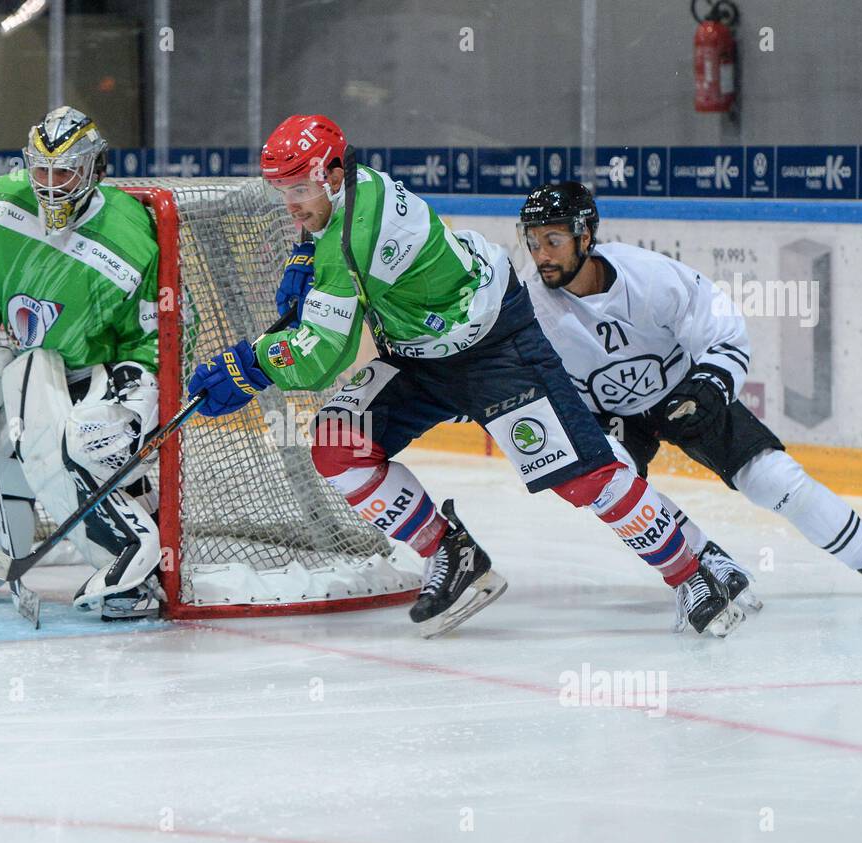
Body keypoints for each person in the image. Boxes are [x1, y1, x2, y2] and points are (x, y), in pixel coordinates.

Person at [188, 114, 746, 637]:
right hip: (417, 352)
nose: (290, 206)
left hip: (494, 348)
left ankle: (696, 567)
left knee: (583, 474)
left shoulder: (356, 236)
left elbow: (322, 357)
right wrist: (304, 261)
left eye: (298, 190)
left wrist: (249, 365)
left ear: (333, 174)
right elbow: (327, 250)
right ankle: (451, 554)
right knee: (339, 444)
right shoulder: (349, 193)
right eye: (281, 191)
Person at [518, 181, 862, 601]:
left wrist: (710, 386)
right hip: (605, 412)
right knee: (610, 481)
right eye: (533, 241)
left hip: (681, 389)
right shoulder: (527, 304)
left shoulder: (650, 277)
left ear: (585, 235)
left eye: (553, 239)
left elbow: (722, 329)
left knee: (771, 476)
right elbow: (501, 367)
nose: (542, 255)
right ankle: (705, 559)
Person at [0, 106, 164, 619]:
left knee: (72, 439)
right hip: (31, 369)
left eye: (65, 171)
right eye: (41, 170)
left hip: (95, 379)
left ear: (95, 169)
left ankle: (131, 559)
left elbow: (154, 339)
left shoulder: (130, 233)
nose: (51, 184)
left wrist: (136, 404)